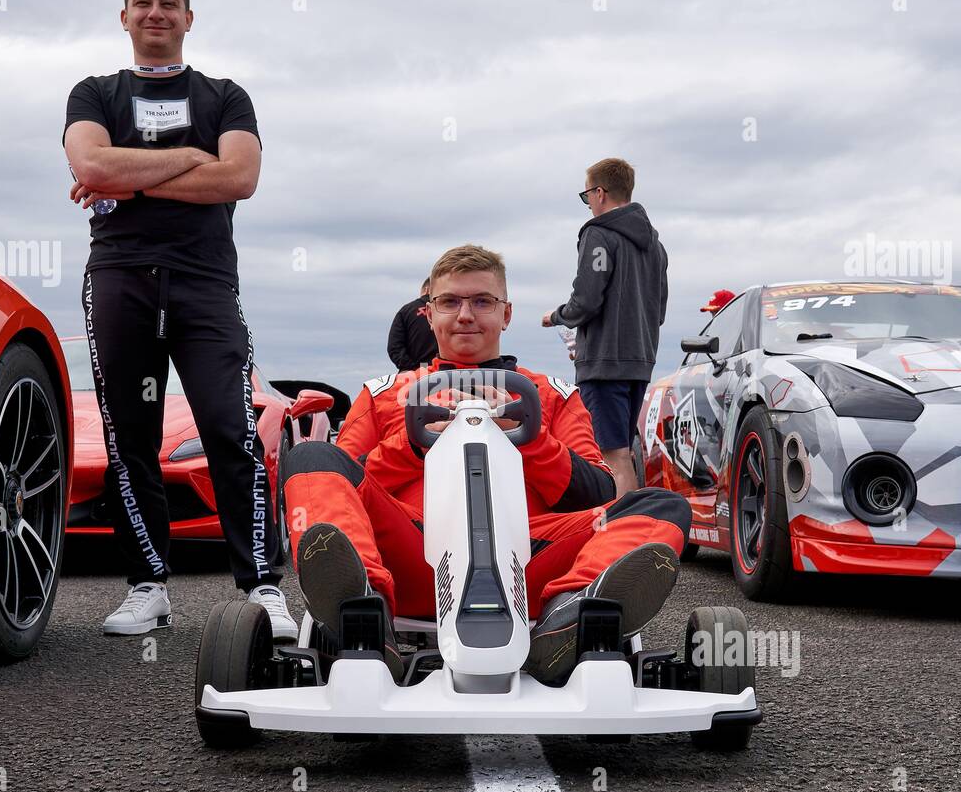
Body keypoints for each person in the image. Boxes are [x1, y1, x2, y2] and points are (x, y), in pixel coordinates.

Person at [281, 245, 692, 687]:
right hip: (411, 555)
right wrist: (414, 441)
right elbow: (346, 478)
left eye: (482, 302)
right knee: (310, 458)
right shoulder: (385, 393)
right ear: (428, 313)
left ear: (506, 314)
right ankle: (362, 609)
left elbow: (597, 492)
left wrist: (530, 438)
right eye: (450, 302)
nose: (465, 315)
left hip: (533, 558)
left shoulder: (552, 395)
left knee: (662, 506)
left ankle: (572, 616)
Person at [62, 0, 294, 639]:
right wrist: (195, 160)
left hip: (205, 283)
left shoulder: (225, 96)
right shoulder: (94, 93)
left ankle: (261, 586)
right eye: (143, 2)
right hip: (120, 278)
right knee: (130, 439)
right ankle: (147, 585)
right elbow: (93, 167)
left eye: (169, 3)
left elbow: (241, 177)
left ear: (188, 18)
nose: (155, 12)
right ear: (125, 16)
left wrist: (133, 175)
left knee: (230, 427)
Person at [542, 158, 669, 500]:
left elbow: (586, 299)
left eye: (587, 197)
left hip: (604, 364)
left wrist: (557, 316)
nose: (589, 205)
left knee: (609, 455)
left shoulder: (597, 234)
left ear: (599, 193)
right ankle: (635, 531)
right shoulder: (655, 246)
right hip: (640, 360)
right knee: (622, 451)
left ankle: (624, 537)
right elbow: (658, 310)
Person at [386, 278, 438, 371]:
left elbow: (394, 347)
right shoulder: (449, 310)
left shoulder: (406, 311)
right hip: (447, 371)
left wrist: (412, 368)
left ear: (426, 290)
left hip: (418, 371)